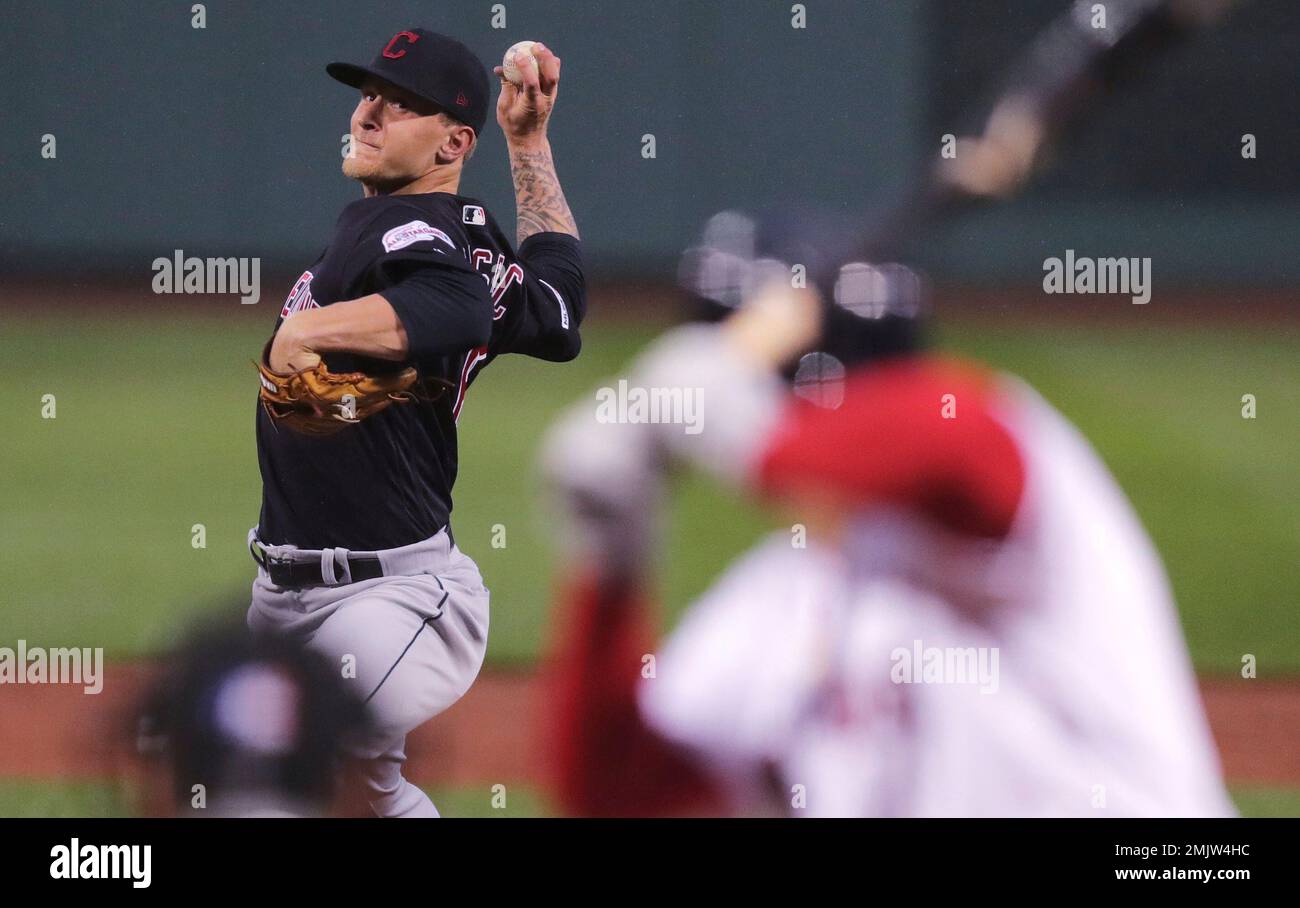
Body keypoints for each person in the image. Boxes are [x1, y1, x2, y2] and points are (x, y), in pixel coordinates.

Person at [539, 248, 1233, 817]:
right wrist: (610, 563)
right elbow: (624, 794)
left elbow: (943, 437)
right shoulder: (773, 600)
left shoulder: (1023, 483)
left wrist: (740, 429)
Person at [247, 28, 583, 817]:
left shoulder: (414, 229)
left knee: (280, 762)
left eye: (401, 106)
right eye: (369, 95)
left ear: (452, 142)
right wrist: (528, 142)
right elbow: (560, 307)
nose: (369, 113)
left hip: (392, 597)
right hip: (289, 590)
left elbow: (452, 306)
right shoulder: (461, 232)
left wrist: (307, 331)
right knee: (360, 795)